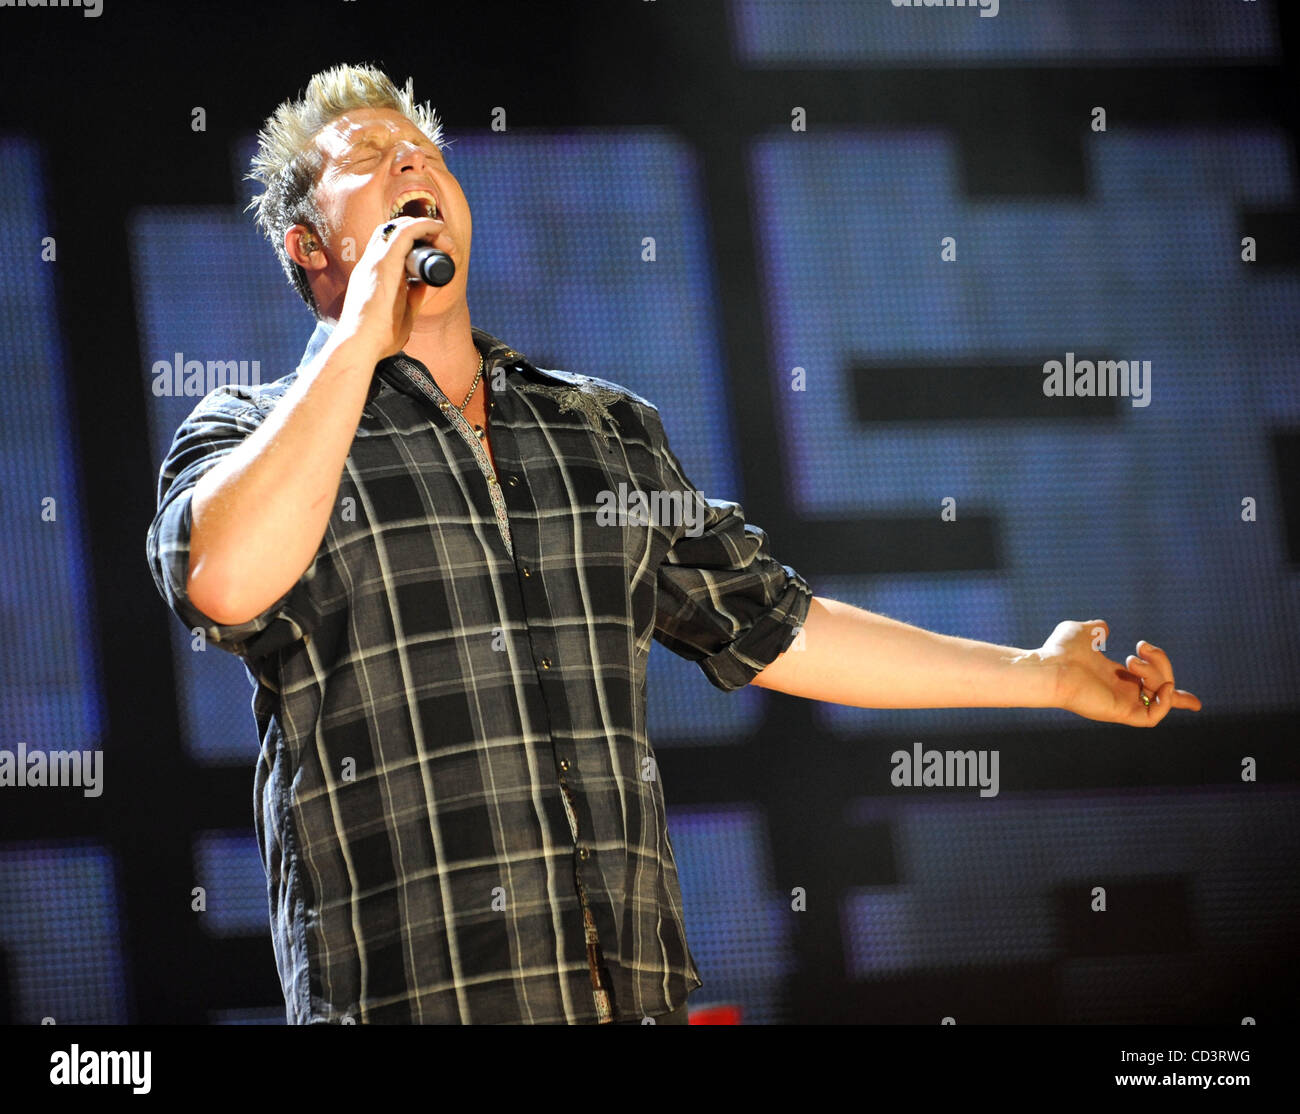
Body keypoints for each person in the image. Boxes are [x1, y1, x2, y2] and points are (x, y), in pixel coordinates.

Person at [146, 62, 1201, 1025]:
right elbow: (227, 579)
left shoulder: (598, 430)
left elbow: (783, 628)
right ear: (308, 247)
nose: (411, 163)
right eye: (371, 159)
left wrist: (1040, 676)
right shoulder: (251, 434)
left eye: (423, 153)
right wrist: (357, 334)